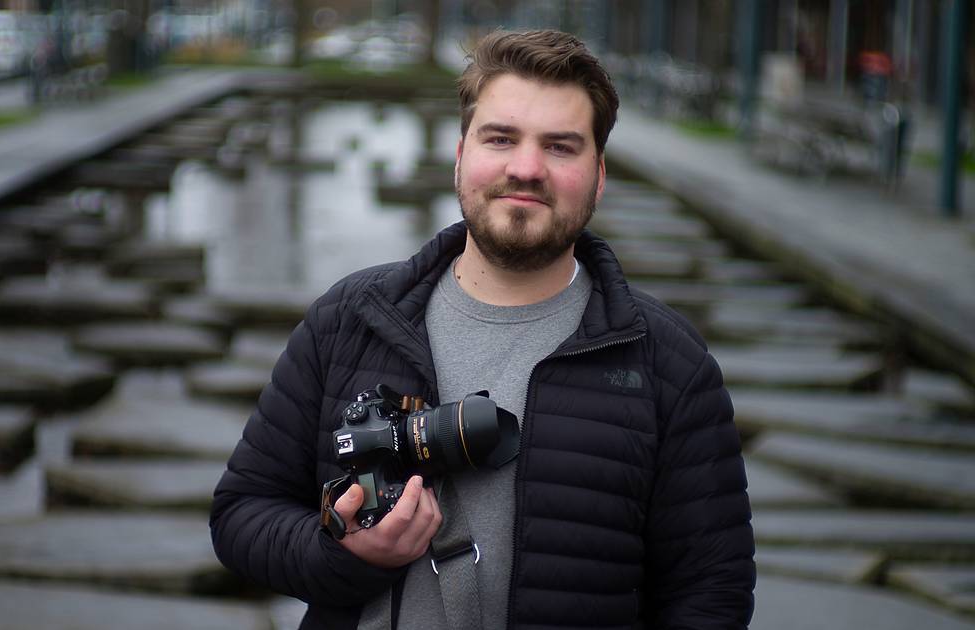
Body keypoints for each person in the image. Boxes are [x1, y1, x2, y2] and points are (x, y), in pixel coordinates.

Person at [211, 29, 755, 630]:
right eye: (501, 138)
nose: (526, 168)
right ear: (461, 155)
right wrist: (342, 555)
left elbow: (712, 596)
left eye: (560, 147)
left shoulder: (670, 365)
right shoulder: (348, 318)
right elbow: (241, 515)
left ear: (598, 175)